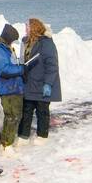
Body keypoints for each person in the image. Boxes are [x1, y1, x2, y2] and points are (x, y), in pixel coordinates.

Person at [18, 17, 61, 145]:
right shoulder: (25, 42)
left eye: (28, 26)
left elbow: (52, 65)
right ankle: (23, 136)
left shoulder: (46, 43)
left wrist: (48, 83)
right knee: (26, 110)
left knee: (42, 111)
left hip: (42, 83)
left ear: (34, 28)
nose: (25, 29)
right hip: (29, 82)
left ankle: (42, 136)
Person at [0, 23, 26, 151]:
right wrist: (22, 69)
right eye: (13, 40)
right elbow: (4, 70)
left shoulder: (5, 49)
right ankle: (7, 145)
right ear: (8, 38)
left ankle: (7, 143)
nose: (13, 43)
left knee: (15, 115)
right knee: (12, 116)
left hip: (12, 87)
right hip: (7, 88)